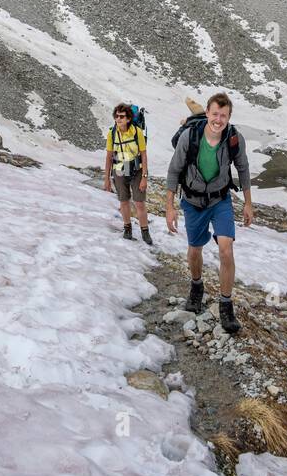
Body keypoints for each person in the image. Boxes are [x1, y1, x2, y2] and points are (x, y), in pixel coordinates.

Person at [165, 92, 252, 333]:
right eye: (215, 114)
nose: (218, 119)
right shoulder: (190, 137)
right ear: (207, 113)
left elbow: (243, 169)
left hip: (220, 199)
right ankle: (196, 286)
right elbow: (174, 171)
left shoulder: (234, 138)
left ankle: (226, 305)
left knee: (226, 248)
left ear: (229, 117)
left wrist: (247, 203)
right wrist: (169, 207)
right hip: (192, 201)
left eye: (223, 115)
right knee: (195, 249)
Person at [104, 104, 153, 245]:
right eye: (117, 116)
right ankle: (127, 229)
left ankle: (145, 232)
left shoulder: (137, 132)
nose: (118, 119)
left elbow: (144, 155)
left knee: (139, 202)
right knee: (124, 200)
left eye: (122, 116)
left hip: (136, 168)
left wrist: (144, 178)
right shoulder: (112, 133)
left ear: (128, 118)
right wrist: (106, 179)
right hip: (120, 167)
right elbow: (108, 157)